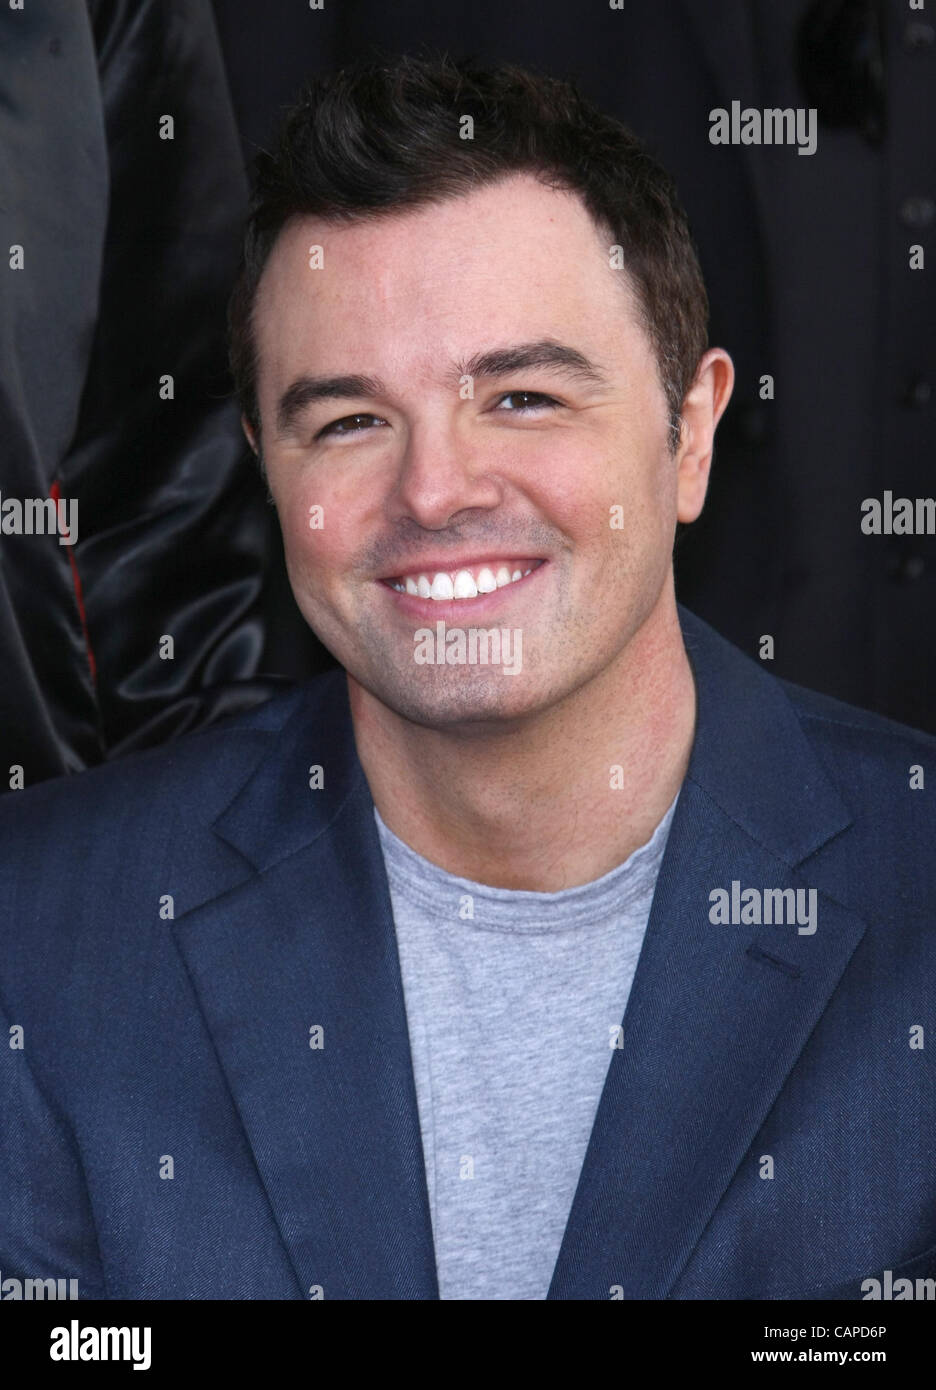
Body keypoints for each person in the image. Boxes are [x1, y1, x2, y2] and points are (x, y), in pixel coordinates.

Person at [1, 56, 933, 1302]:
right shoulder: (39, 930)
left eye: (525, 395)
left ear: (690, 434)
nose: (437, 490)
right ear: (265, 469)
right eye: (347, 421)